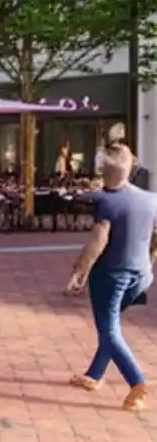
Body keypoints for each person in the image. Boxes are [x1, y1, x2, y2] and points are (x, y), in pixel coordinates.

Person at [66, 142, 157, 411]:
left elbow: (98, 240)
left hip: (111, 276)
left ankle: (137, 382)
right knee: (112, 324)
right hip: (141, 276)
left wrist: (79, 270)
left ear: (102, 171)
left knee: (108, 330)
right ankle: (94, 374)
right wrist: (148, 262)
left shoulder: (106, 201)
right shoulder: (150, 198)